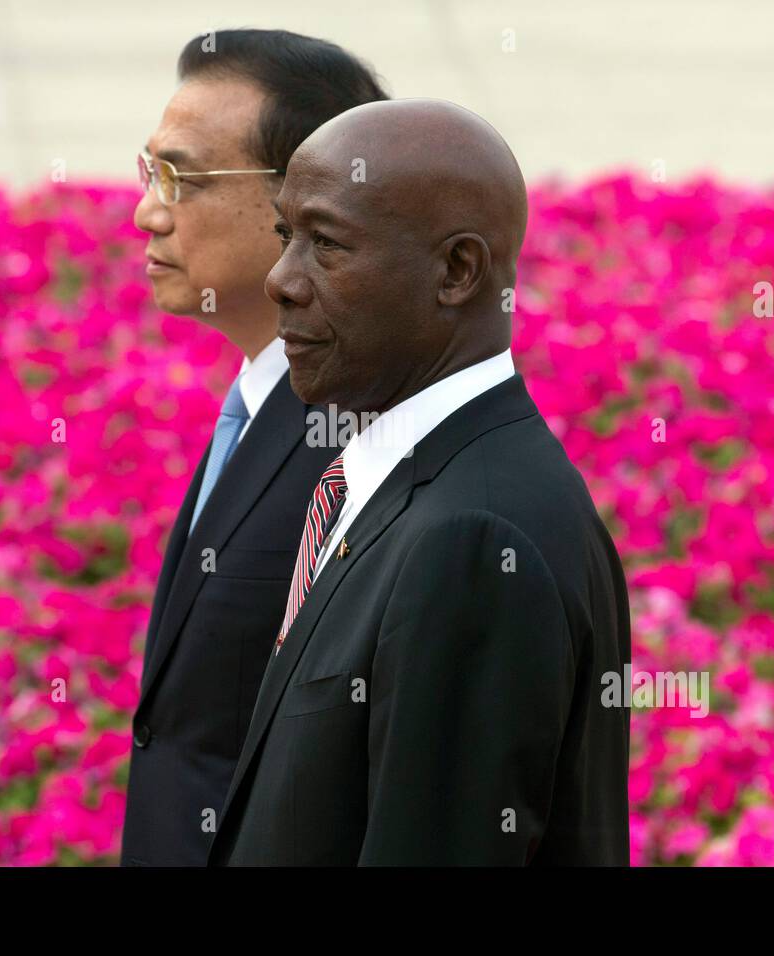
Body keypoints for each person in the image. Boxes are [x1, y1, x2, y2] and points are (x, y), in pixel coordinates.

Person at [209, 99, 631, 865]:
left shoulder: (472, 543)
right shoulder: (404, 482)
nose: (280, 280)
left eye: (326, 245)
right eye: (285, 237)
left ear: (456, 271)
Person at [121, 29, 388, 867]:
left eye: (183, 178)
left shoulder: (359, 441)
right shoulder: (259, 402)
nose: (147, 212)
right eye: (149, 170)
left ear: (304, 204)